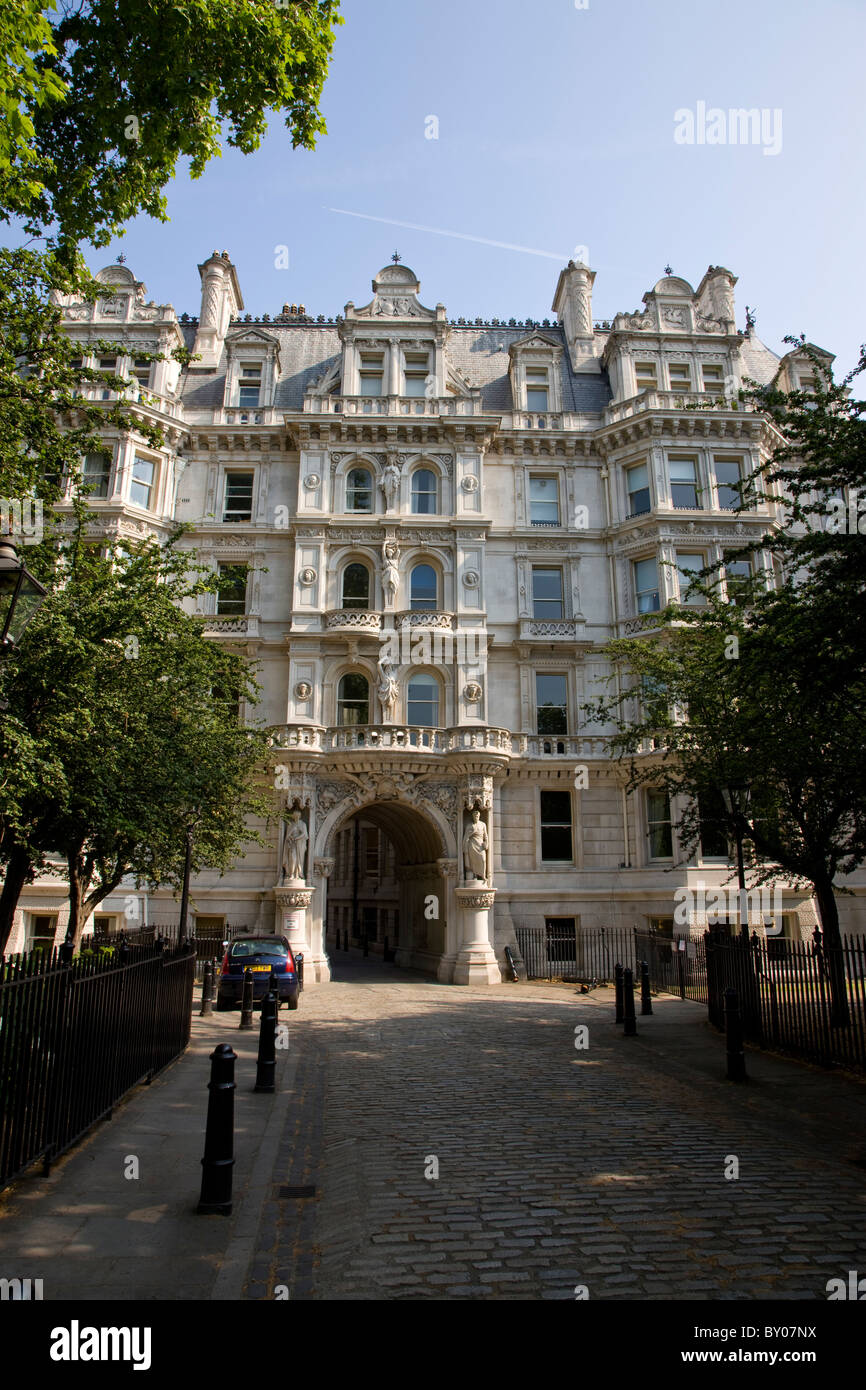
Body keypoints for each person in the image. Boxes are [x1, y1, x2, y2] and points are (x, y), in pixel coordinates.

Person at [462, 808, 489, 883]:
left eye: (477, 816)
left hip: (480, 844)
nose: (476, 817)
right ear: (473, 817)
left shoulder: (483, 824)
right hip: (472, 844)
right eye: (475, 816)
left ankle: (483, 875)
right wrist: (464, 846)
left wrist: (486, 843)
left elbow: (486, 836)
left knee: (483, 859)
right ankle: (474, 876)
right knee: (472, 861)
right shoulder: (469, 825)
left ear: (479, 816)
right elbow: (466, 836)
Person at [282, 810, 308, 882]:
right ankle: (291, 874)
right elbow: (287, 836)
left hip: (299, 844)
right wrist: (291, 837)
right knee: (292, 859)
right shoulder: (290, 824)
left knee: (299, 860)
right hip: (292, 844)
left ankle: (297, 875)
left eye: (298, 816)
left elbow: (305, 834)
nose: (297, 817)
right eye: (295, 816)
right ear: (293, 816)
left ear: (300, 816)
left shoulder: (303, 824)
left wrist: (297, 837)